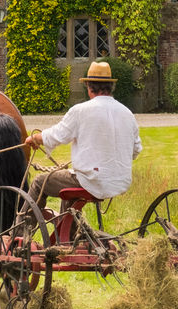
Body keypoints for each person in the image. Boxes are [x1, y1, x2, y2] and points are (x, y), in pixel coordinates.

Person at [25, 60, 142, 209]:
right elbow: (136, 149)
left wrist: (35, 139)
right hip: (119, 182)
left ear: (88, 86)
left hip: (91, 181)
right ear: (110, 87)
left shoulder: (81, 111)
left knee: (39, 182)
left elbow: (57, 135)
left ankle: (22, 230)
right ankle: (69, 230)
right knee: (69, 182)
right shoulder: (127, 113)